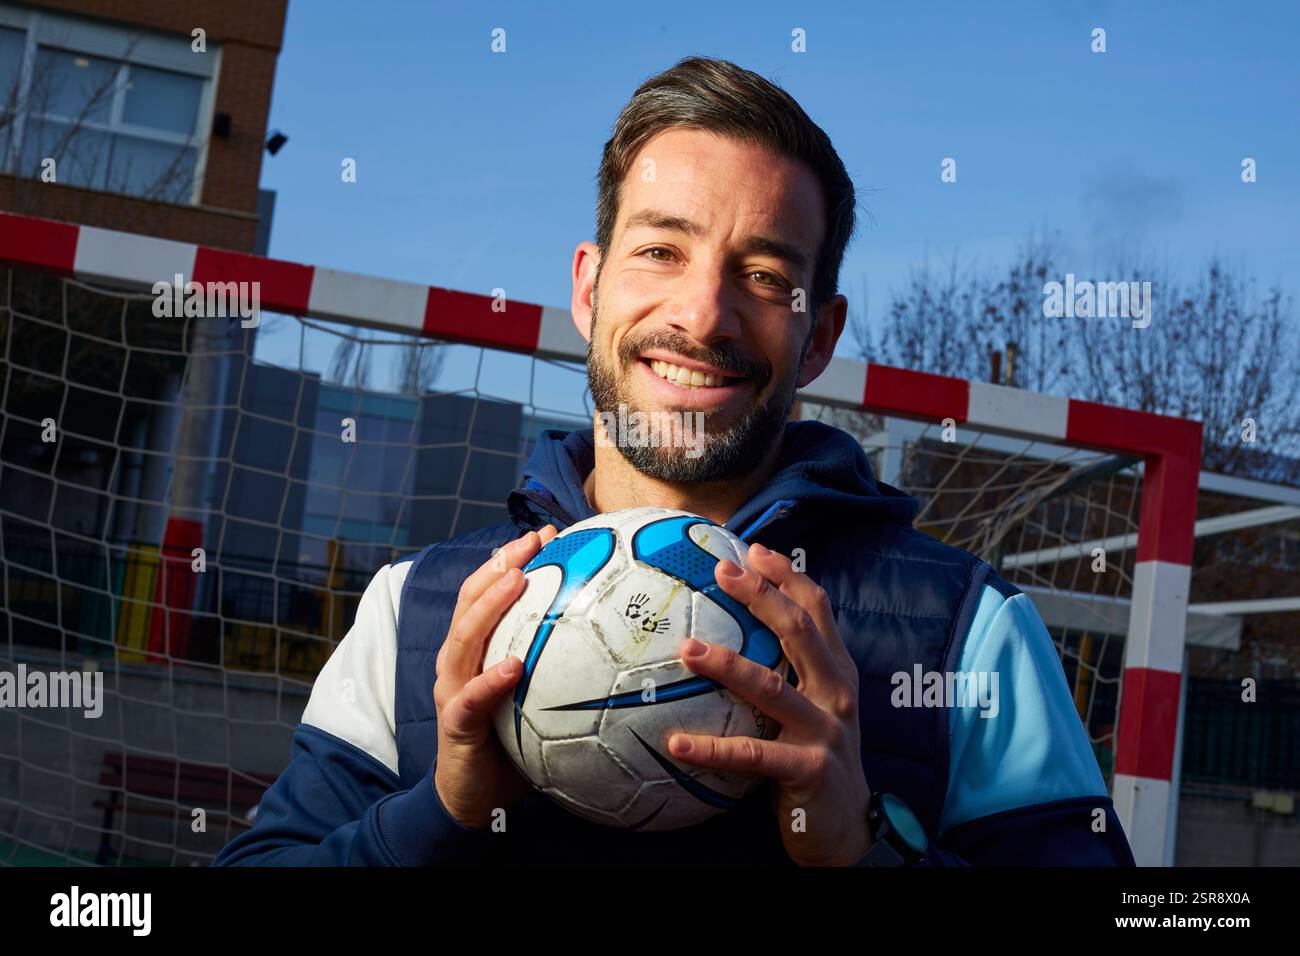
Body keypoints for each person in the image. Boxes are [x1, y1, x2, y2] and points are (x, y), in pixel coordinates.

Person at [213, 57, 1134, 867]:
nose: (703, 317)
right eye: (660, 250)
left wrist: (864, 847)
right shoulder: (416, 611)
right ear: (588, 285)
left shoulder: (970, 631)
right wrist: (438, 815)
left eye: (766, 276)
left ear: (819, 339)